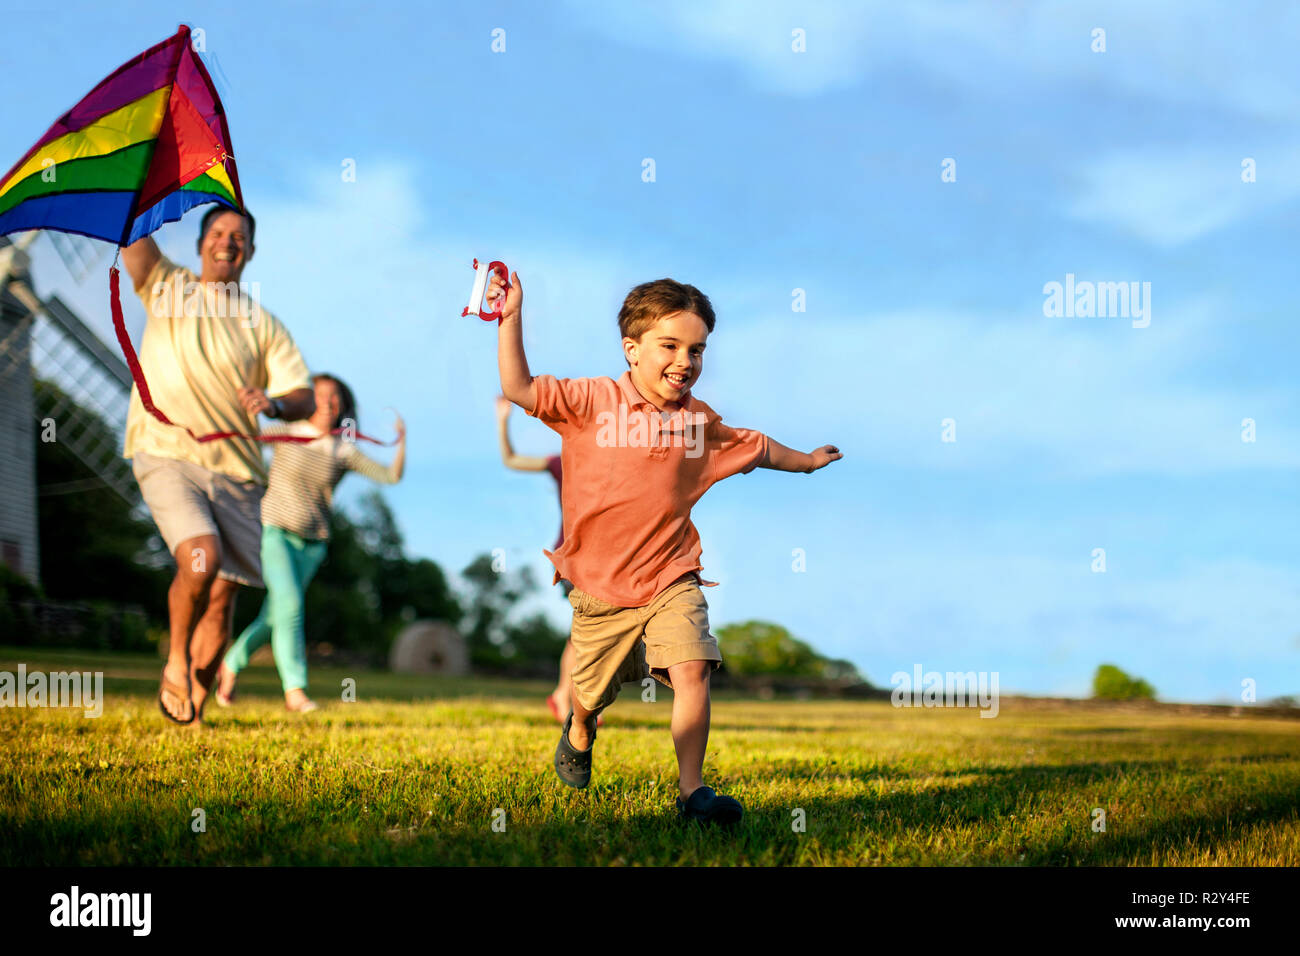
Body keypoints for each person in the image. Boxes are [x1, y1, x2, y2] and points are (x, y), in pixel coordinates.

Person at [493, 270, 841, 824]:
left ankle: (692, 794)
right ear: (631, 349)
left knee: (692, 667)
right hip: (600, 586)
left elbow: (754, 447)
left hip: (671, 574)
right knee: (590, 691)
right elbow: (520, 389)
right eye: (671, 345)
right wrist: (510, 318)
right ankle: (579, 729)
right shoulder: (591, 400)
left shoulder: (697, 421)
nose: (686, 360)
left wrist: (806, 461)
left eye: (697, 349)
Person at [121, 207, 315, 726]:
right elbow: (127, 228)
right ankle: (176, 660)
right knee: (201, 557)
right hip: (166, 452)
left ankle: (195, 713)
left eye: (239, 237)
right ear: (201, 242)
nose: (228, 242)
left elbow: (303, 396)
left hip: (239, 473)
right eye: (219, 233)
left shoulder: (264, 324)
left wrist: (274, 404)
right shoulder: (166, 284)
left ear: (249, 252)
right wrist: (138, 156)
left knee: (223, 598)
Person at [215, 374, 406, 712]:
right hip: (274, 531)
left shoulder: (344, 450)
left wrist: (401, 442)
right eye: (322, 396)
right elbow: (242, 440)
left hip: (313, 544)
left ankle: (230, 664)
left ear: (343, 406)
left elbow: (389, 476)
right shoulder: (286, 434)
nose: (329, 404)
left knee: (276, 615)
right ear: (309, 400)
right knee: (290, 606)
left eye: (336, 399)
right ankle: (295, 692)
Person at [494, 395, 602, 726]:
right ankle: (569, 699)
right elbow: (511, 460)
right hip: (572, 557)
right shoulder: (561, 463)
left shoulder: (615, 463)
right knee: (587, 631)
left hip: (607, 559)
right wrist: (502, 419)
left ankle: (566, 697)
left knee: (590, 633)